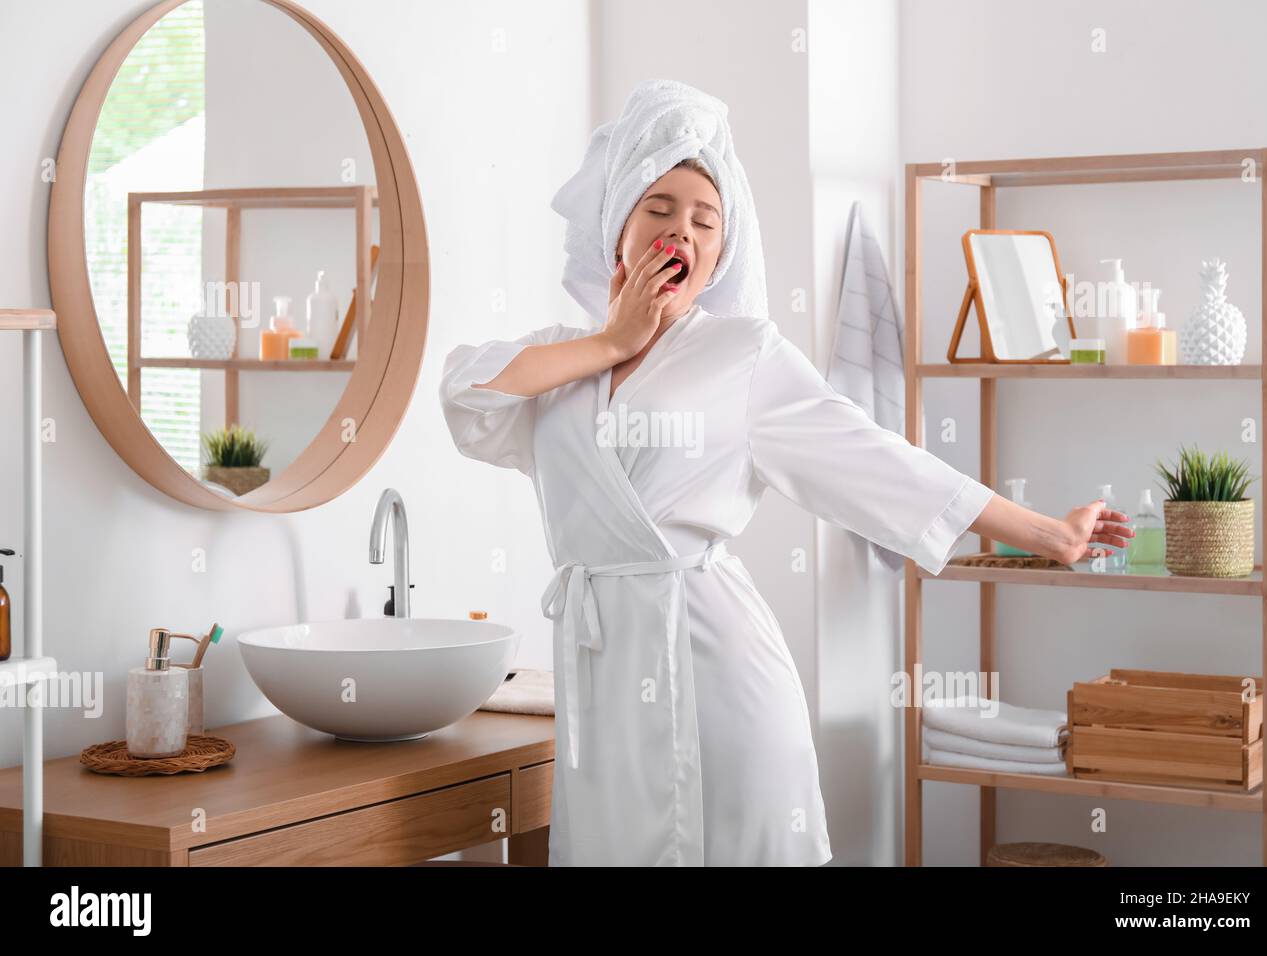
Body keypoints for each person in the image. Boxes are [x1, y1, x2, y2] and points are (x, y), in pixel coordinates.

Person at [440, 80, 1131, 866]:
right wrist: (610, 342)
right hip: (606, 690)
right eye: (659, 208)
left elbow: (876, 460)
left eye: (706, 220)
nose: (682, 232)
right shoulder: (557, 364)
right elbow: (464, 393)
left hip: (722, 677)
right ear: (617, 227)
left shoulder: (744, 355)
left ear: (722, 251)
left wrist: (1043, 530)